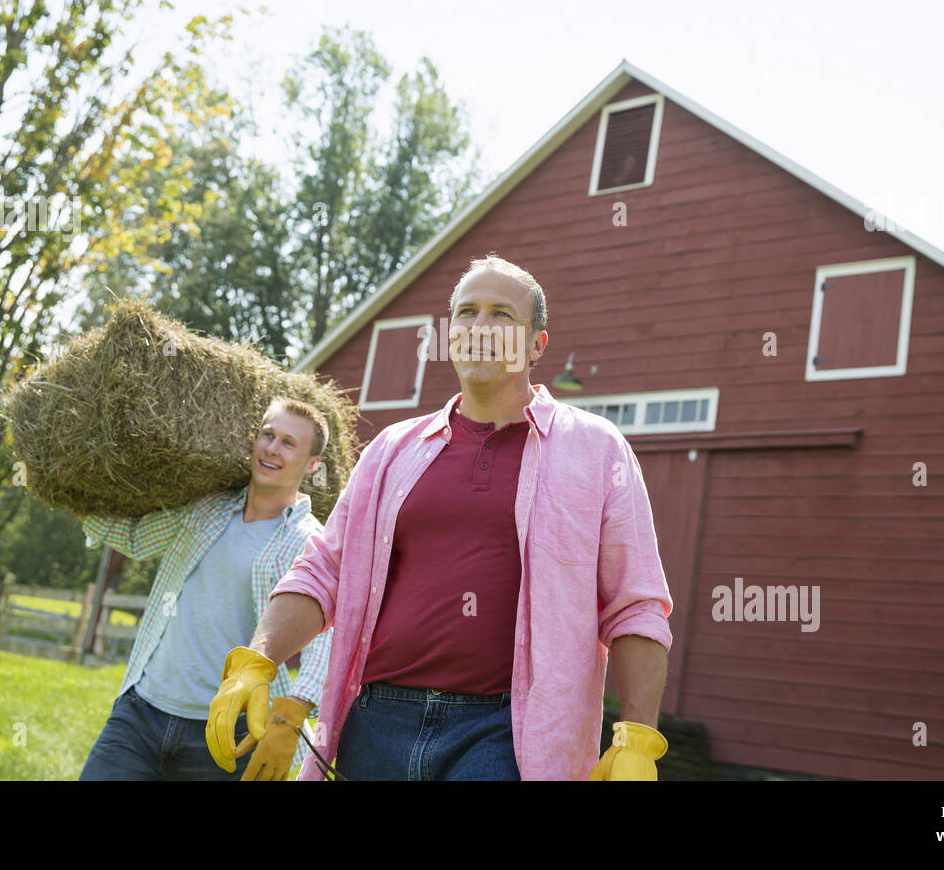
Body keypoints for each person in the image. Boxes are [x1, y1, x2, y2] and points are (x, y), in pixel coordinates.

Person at [206, 255, 673, 780]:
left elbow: (636, 606)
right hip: (378, 722)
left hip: (507, 736)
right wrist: (258, 657)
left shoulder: (594, 450)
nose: (480, 326)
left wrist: (638, 737)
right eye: (467, 312)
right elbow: (323, 572)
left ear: (537, 345)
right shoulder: (391, 450)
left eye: (502, 314)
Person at [78, 397, 334, 780]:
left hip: (228, 735)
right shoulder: (207, 511)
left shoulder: (308, 542)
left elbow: (327, 640)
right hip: (141, 714)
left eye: (288, 443)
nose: (271, 449)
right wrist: (68, 489)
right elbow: (133, 538)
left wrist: (294, 710)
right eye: (267, 435)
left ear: (313, 464)